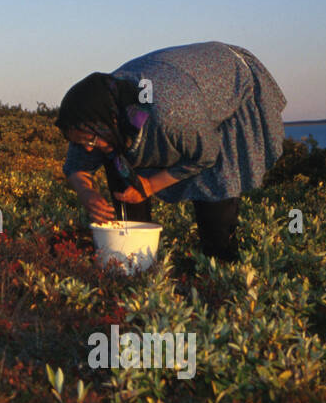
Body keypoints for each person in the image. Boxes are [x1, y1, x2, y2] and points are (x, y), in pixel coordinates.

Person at [56, 41, 287, 263]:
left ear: (112, 119)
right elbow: (76, 166)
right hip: (172, 83)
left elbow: (206, 155)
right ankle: (135, 262)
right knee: (116, 158)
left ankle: (220, 268)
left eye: (90, 140)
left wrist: (150, 185)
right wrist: (87, 193)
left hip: (226, 77)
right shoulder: (92, 116)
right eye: (80, 141)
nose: (87, 147)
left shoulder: (172, 114)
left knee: (215, 190)